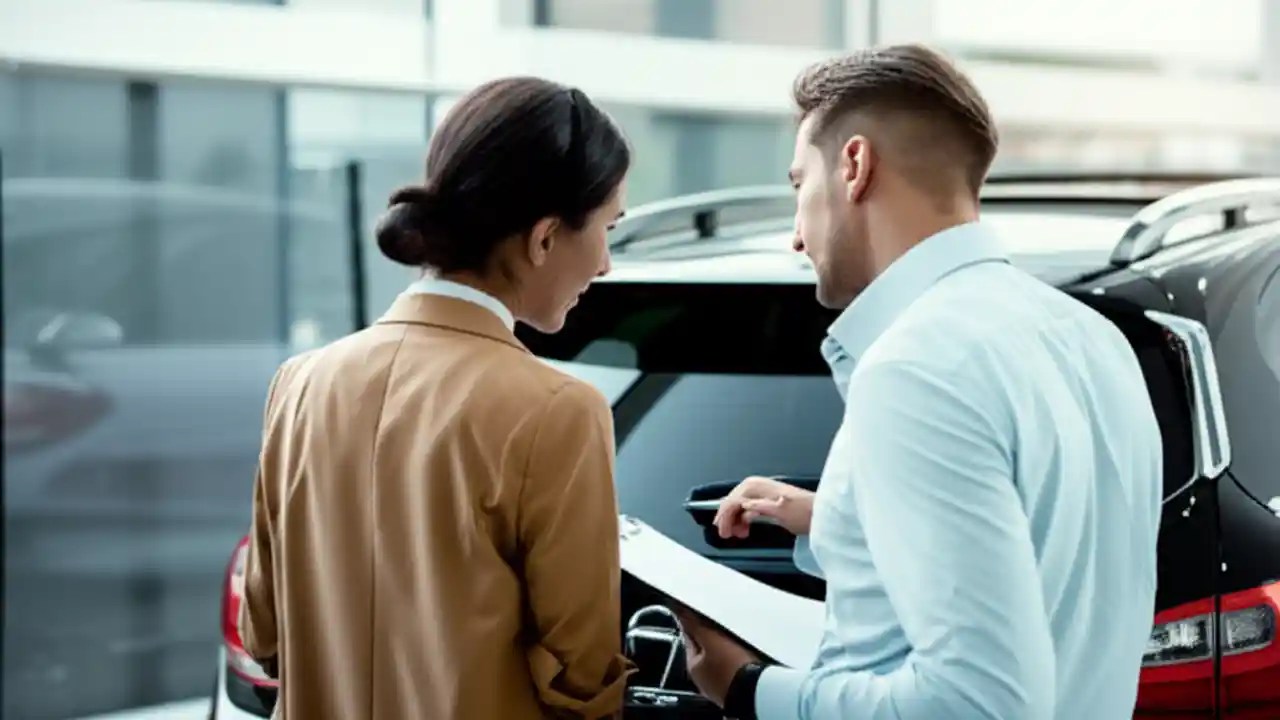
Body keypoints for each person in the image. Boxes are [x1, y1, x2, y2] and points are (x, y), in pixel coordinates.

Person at [674, 44, 1164, 720]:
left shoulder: (917, 369)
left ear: (853, 165)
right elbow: (1051, 555)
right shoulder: (1096, 340)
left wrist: (750, 689)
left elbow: (977, 704)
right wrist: (837, 519)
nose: (795, 234)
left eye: (798, 185)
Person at [237, 76, 636, 720]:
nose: (606, 263)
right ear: (542, 238)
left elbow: (265, 634)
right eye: (607, 229)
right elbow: (583, 679)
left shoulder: (299, 383)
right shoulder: (558, 408)